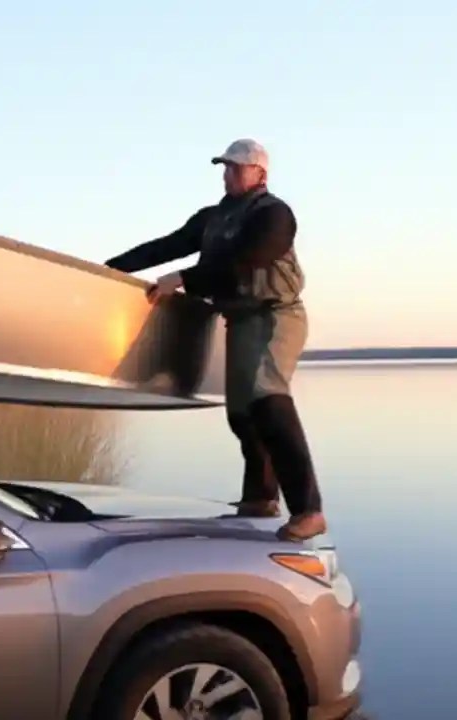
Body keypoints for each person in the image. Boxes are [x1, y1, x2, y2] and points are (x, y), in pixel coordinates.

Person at [103, 139, 327, 540]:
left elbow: (248, 260)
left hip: (277, 316)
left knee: (267, 397)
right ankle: (260, 498)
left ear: (260, 173)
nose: (227, 174)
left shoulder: (274, 214)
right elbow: (167, 246)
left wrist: (184, 279)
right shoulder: (212, 217)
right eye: (225, 167)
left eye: (236, 168)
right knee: (242, 414)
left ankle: (309, 510)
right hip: (239, 321)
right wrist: (108, 271)